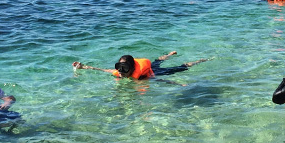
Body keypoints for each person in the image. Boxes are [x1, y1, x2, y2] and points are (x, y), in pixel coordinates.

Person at [72, 51, 208, 79]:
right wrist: (85, 67)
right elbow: (104, 70)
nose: (120, 71)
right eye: (118, 67)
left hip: (151, 72)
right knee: (158, 60)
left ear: (132, 68)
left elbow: (159, 80)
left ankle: (200, 60)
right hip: (147, 67)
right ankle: (170, 53)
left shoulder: (140, 76)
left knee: (179, 68)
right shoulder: (120, 72)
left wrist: (178, 84)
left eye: (124, 69)